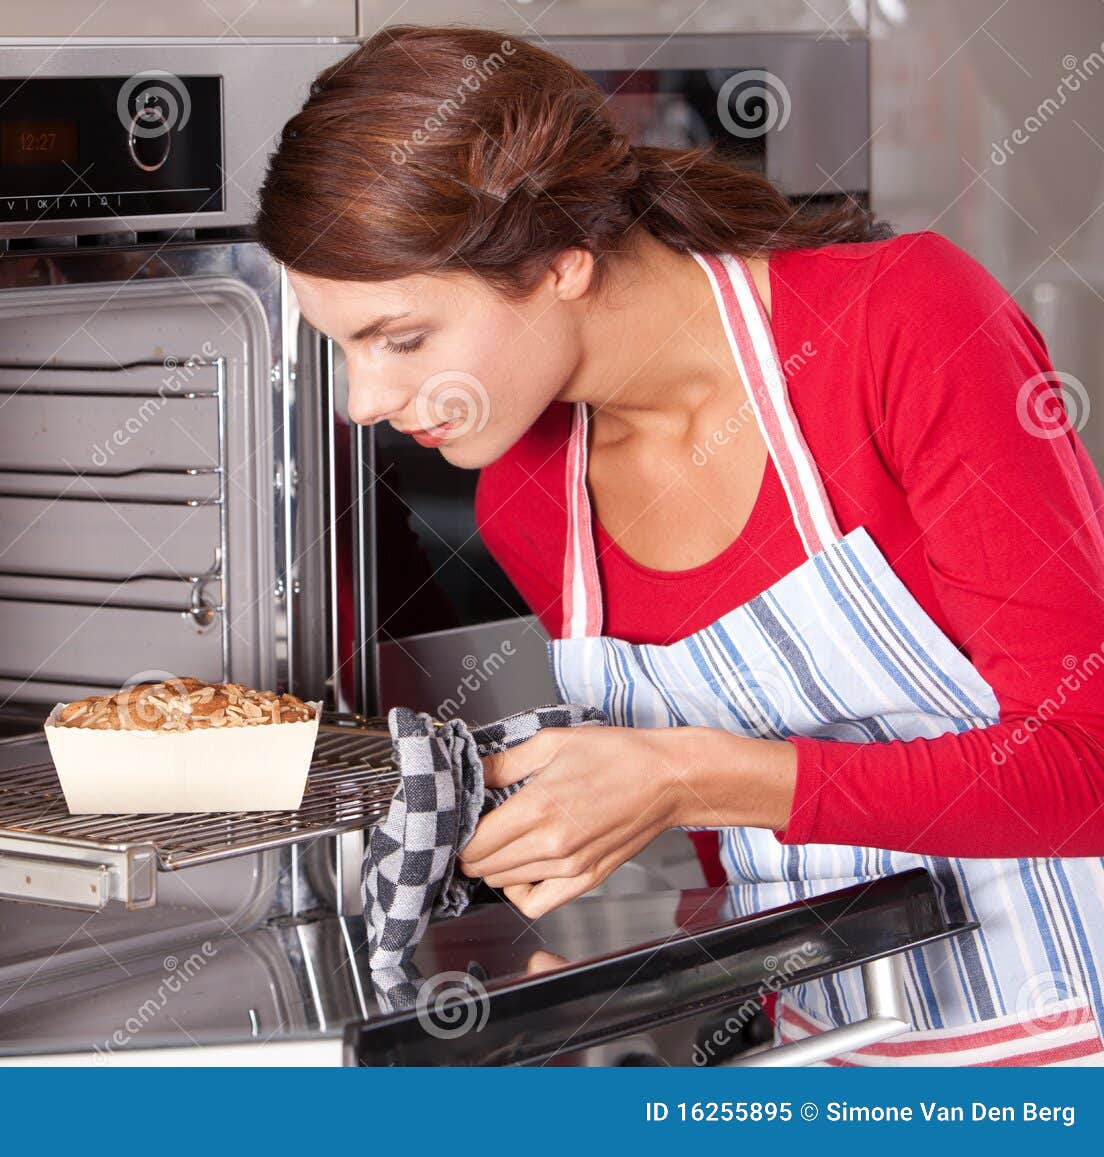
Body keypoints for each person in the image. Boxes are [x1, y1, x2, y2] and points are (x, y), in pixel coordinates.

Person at [256, 25, 1104, 1065]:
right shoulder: (532, 489)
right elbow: (733, 859)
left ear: (562, 260)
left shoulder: (899, 325)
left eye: (403, 337)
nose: (363, 400)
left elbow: (1086, 767)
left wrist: (686, 774)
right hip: (825, 1051)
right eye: (341, 344)